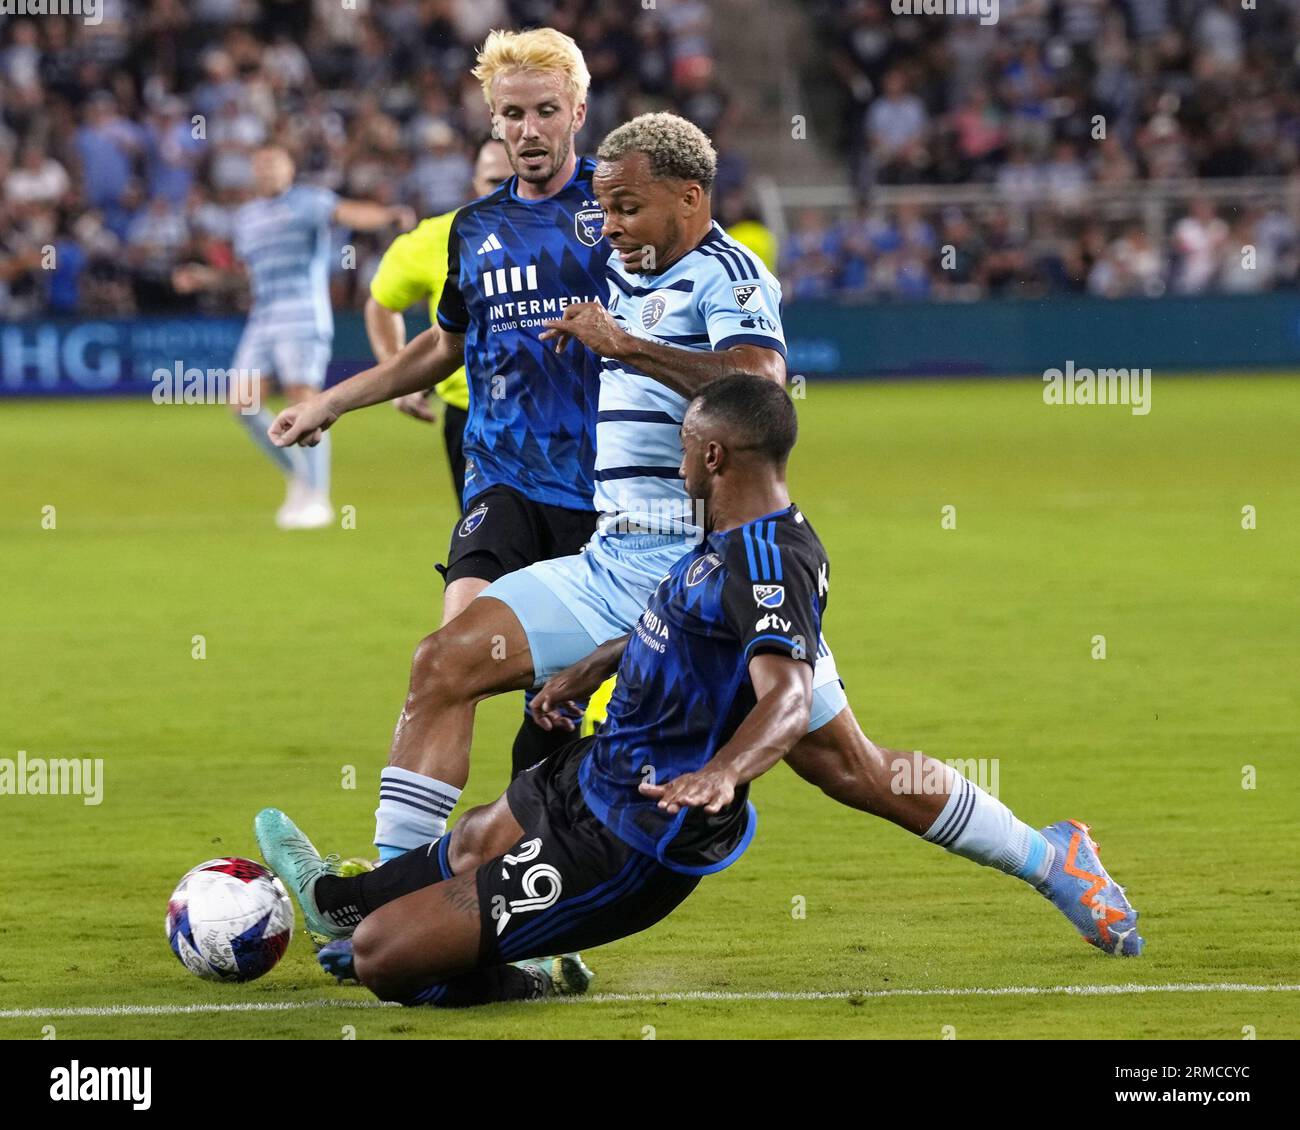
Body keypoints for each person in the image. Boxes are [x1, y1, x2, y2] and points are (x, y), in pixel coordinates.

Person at [273, 110, 1142, 974]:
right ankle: (377, 897)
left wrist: (624, 345)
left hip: (705, 578)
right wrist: (347, 397)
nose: (611, 227)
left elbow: (762, 384)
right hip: (611, 561)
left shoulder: (730, 275)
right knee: (444, 662)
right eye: (606, 210)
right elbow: (463, 332)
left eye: (627, 208)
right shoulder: (625, 264)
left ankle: (1048, 857)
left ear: (689, 198)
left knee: (852, 768)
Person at [256, 376, 834, 1005]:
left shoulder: (768, 559)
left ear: (714, 456)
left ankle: (523, 974)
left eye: (686, 448)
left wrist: (722, 773)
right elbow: (687, 629)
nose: (679, 464)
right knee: (473, 836)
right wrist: (593, 665)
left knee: (379, 956)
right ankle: (335, 901)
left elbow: (789, 698)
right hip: (596, 771)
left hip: (636, 835)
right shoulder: (725, 536)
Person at [173, 145, 414, 529]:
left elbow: (347, 212)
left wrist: (386, 215)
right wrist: (205, 278)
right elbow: (247, 275)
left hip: (302, 314)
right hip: (262, 317)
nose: (268, 170)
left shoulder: (308, 201)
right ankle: (300, 477)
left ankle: (318, 497)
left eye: (275, 164)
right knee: (242, 404)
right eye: (261, 165)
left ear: (289, 169)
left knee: (303, 402)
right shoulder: (247, 217)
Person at [365, 135, 512, 505]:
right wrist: (400, 377)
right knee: (485, 535)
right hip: (473, 419)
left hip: (570, 412)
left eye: (517, 179)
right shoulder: (439, 237)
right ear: (474, 183)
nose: (507, 191)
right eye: (495, 181)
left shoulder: (578, 230)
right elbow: (382, 303)